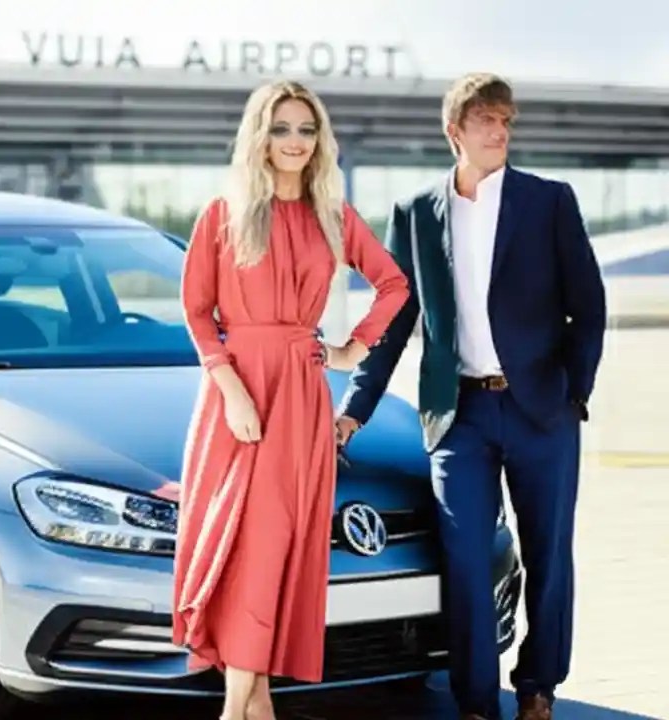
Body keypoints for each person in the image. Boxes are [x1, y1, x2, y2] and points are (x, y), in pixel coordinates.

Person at [334, 73, 607, 720]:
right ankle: (477, 701)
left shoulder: (549, 203)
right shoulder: (415, 215)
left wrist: (573, 391)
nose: (501, 132)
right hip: (460, 418)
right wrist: (354, 410)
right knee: (464, 561)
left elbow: (588, 309)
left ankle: (539, 686)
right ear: (454, 131)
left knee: (547, 557)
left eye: (507, 121)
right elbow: (396, 325)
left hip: (542, 410)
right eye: (488, 121)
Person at [171, 79, 410, 720]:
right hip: (236, 397)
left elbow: (393, 284)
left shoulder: (333, 216)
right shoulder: (222, 214)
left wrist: (352, 349)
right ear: (260, 136)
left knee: (275, 548)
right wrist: (233, 393)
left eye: (307, 129)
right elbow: (196, 313)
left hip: (302, 397)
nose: (296, 142)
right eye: (282, 128)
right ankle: (245, 708)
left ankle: (246, 708)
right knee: (240, 545)